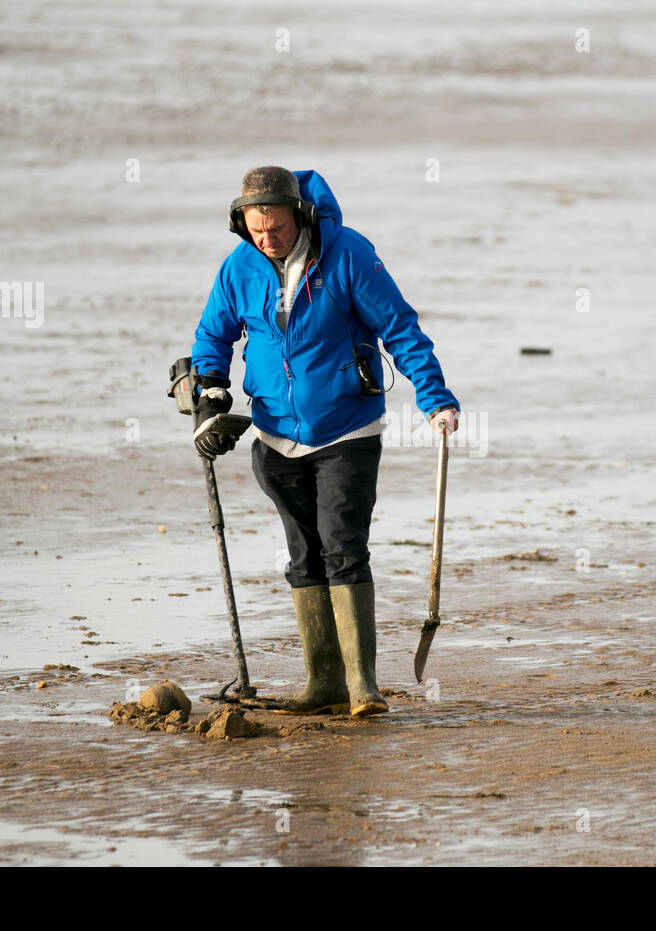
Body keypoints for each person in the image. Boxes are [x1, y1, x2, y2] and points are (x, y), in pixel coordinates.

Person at [190, 166, 459, 717]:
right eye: (256, 230)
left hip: (346, 430)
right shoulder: (239, 267)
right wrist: (210, 390)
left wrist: (435, 398)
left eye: (278, 229)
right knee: (304, 554)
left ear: (301, 215)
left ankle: (364, 688)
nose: (267, 240)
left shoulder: (349, 254)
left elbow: (401, 328)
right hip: (274, 436)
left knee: (343, 545)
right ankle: (324, 683)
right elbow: (212, 335)